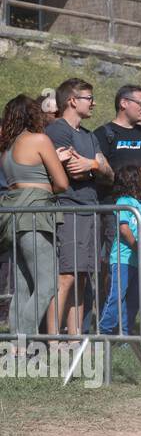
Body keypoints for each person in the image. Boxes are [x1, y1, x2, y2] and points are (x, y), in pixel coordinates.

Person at [45, 78, 113, 336]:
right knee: (67, 276)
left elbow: (109, 173)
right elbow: (72, 170)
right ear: (73, 100)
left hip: (90, 210)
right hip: (70, 209)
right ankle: (52, 340)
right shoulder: (58, 130)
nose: (94, 103)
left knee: (82, 277)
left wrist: (93, 165)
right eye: (89, 98)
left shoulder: (89, 135)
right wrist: (91, 165)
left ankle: (75, 340)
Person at [0, 95, 70, 335]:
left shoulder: (6, 149)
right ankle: (24, 339)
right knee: (47, 283)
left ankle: (15, 347)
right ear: (33, 114)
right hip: (36, 215)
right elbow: (61, 183)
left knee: (22, 287)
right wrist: (56, 164)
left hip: (14, 216)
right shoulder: (39, 139)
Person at [98, 164, 141, 336]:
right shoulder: (123, 202)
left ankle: (125, 334)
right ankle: (104, 331)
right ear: (133, 181)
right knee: (117, 296)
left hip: (138, 261)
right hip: (123, 259)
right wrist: (139, 248)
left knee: (134, 299)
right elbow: (124, 229)